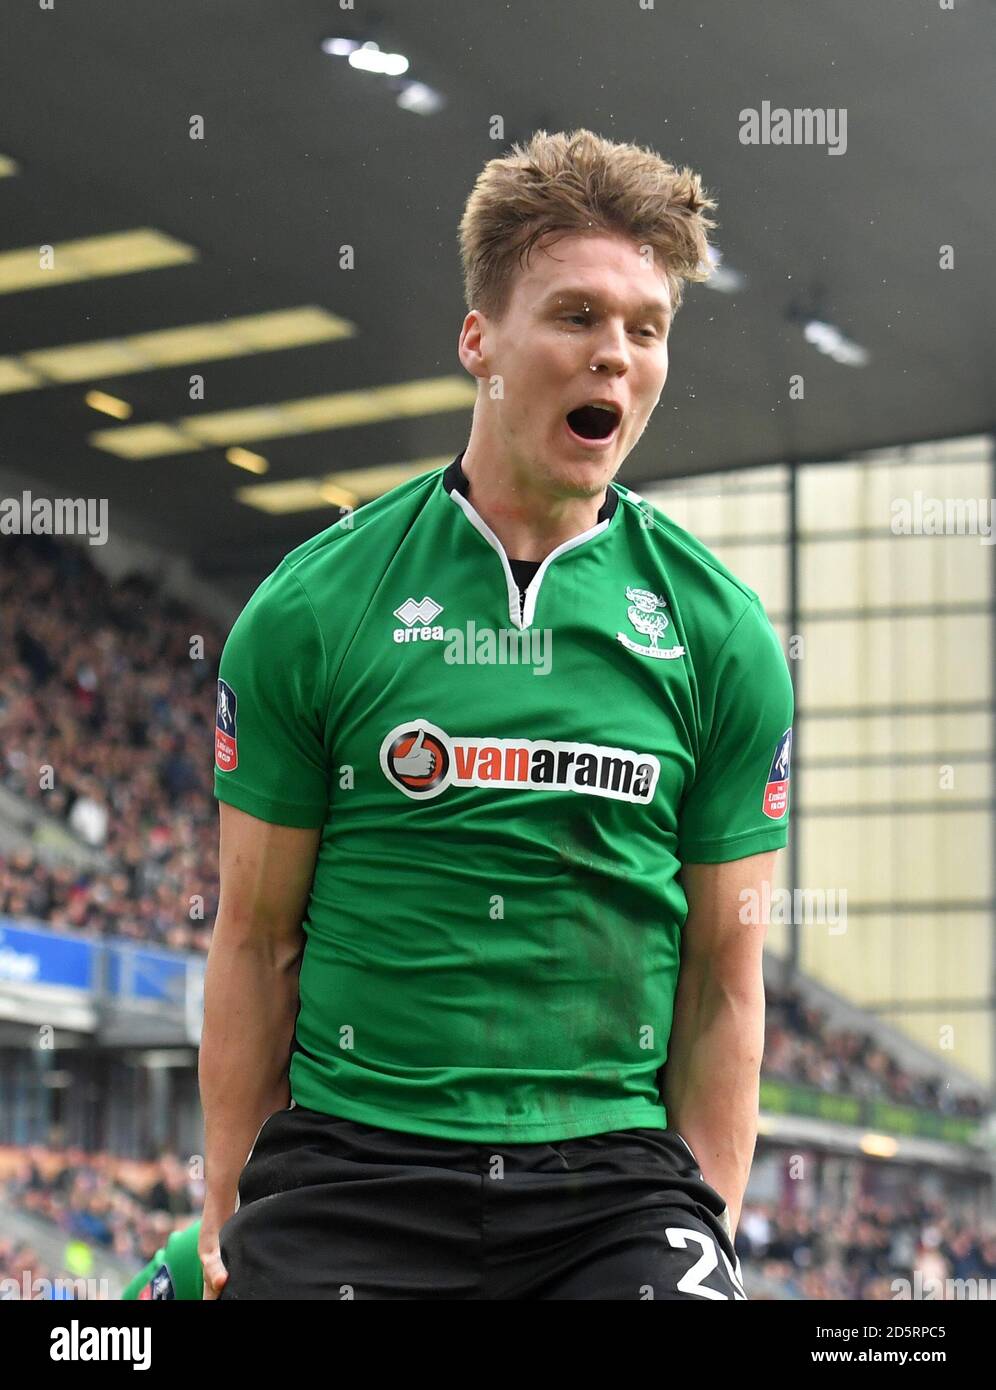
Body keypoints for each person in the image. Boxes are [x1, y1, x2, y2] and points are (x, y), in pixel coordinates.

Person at [200, 127, 793, 1300]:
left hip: (616, 1187)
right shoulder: (314, 610)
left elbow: (727, 978)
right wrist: (228, 1213)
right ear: (481, 340)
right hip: (355, 1169)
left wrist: (707, 1226)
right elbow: (257, 941)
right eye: (576, 316)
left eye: (645, 327)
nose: (614, 357)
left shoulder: (722, 635)